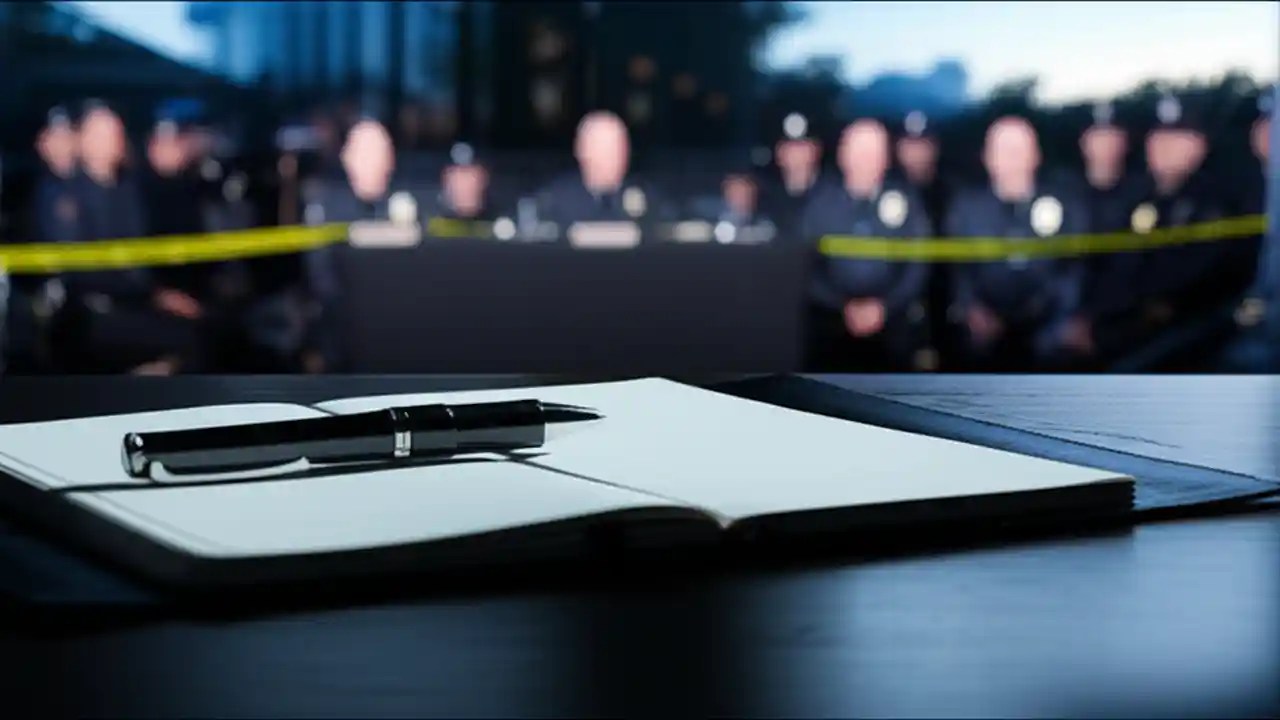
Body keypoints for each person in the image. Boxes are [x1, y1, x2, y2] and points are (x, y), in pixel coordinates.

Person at [57, 101, 206, 375]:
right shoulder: (68, 196)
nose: (111, 141)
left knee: (203, 330)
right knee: (186, 340)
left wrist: (159, 293)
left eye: (115, 133)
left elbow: (139, 254)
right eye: (101, 134)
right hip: (93, 312)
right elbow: (80, 269)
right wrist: (154, 294)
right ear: (82, 140)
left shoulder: (128, 190)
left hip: (135, 303)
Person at [947, 116, 1090, 370]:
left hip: (1048, 328)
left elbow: (1074, 268)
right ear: (987, 158)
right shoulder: (965, 208)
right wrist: (972, 309)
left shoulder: (1064, 205)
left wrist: (1058, 319)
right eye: (1003, 150)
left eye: (1020, 150)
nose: (1012, 158)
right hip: (986, 329)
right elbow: (957, 270)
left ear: (1036, 156)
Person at [800, 119, 933, 371]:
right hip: (832, 330)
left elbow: (918, 265)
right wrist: (842, 305)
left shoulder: (907, 201)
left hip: (893, 330)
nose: (865, 159)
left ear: (886, 158)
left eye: (873, 152)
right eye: (858, 151)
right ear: (842, 155)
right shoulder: (820, 203)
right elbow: (806, 266)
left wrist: (885, 306)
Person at [1129, 93, 1243, 349]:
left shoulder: (1216, 203)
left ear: (1198, 147)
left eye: (1176, 139)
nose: (1163, 147)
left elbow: (1203, 276)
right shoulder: (1138, 197)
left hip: (1192, 335)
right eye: (1158, 138)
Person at [1065, 101, 1152, 366]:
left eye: (1112, 136)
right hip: (1063, 321)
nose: (1105, 144)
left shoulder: (1145, 193)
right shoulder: (1063, 193)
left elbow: (1141, 265)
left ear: (1125, 142)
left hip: (1124, 323)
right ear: (1084, 142)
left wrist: (1096, 322)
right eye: (1097, 136)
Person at [535, 111, 669, 239]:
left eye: (617, 149)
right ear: (581, 152)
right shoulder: (555, 200)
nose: (612, 158)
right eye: (603, 150)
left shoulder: (649, 197)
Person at [759, 113, 825, 242]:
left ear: (815, 151)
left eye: (802, 148)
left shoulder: (833, 199)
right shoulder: (765, 200)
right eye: (789, 148)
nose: (796, 156)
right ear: (779, 153)